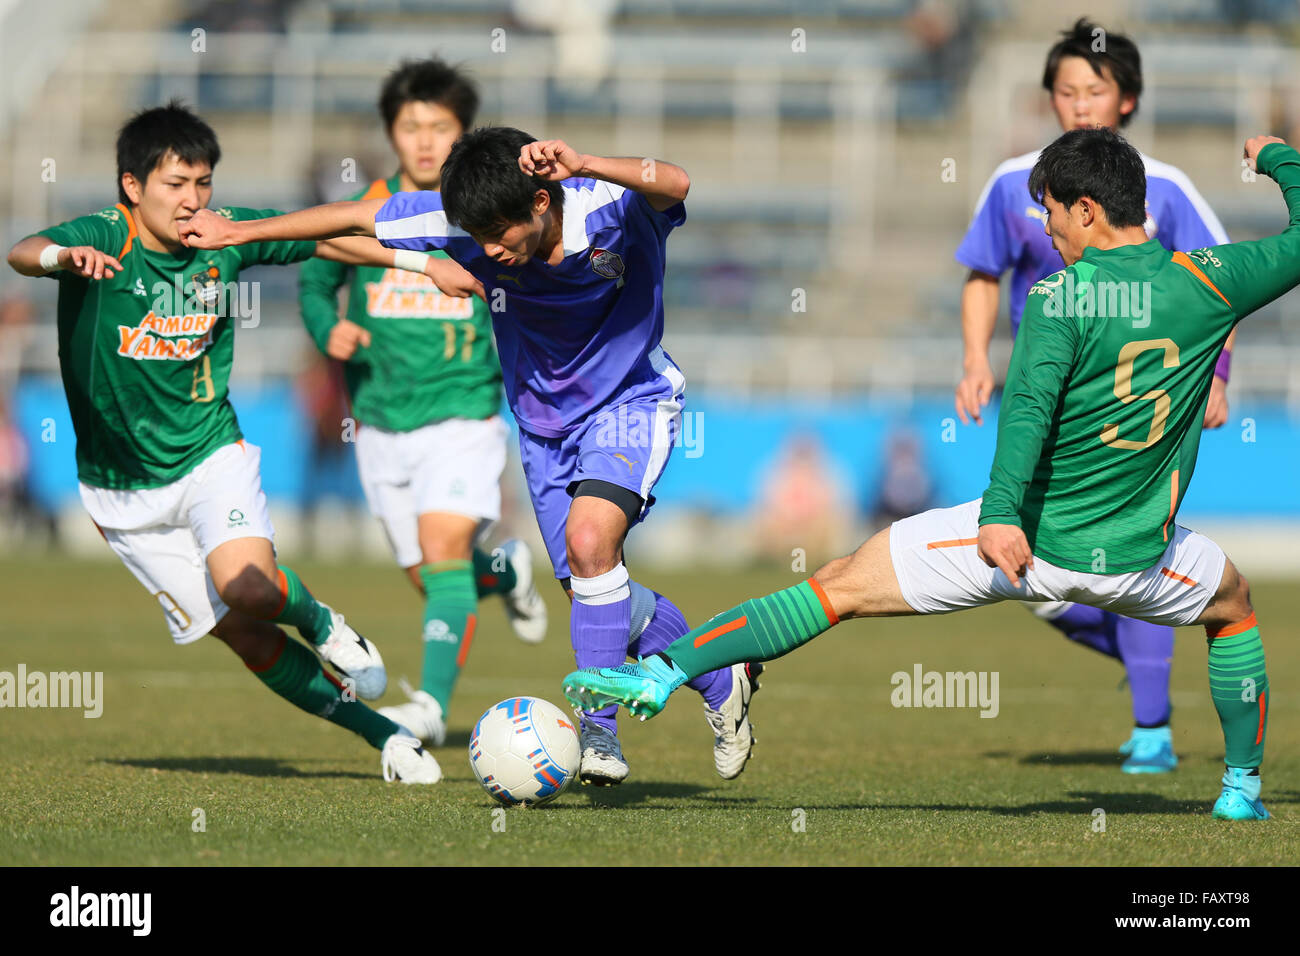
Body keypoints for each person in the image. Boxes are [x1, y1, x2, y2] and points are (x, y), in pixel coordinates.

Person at [564, 129, 1294, 822]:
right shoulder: (1213, 278)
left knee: (840, 584)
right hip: (1142, 561)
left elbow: (1028, 411)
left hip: (1027, 545)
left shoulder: (1057, 298)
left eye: (1050, 213)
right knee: (1234, 608)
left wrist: (1001, 513)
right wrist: (1279, 158)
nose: (1045, 230)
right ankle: (1238, 788)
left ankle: (661, 672)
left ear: (1088, 210)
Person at [179, 127, 760, 786]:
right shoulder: (464, 224)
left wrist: (588, 160)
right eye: (477, 236)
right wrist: (237, 234)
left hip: (632, 402)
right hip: (543, 427)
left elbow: (677, 181)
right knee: (592, 592)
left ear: (543, 200)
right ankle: (720, 672)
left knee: (591, 540)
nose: (487, 251)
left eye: (500, 234)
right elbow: (350, 216)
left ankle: (598, 730)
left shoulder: (606, 203)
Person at [5, 101, 458, 783]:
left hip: (210, 450)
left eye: (203, 183)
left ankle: (323, 620)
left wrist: (422, 268)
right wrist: (62, 256)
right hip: (121, 492)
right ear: (132, 187)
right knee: (247, 636)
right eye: (174, 185)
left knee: (247, 586)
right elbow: (22, 253)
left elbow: (324, 242)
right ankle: (386, 737)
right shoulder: (104, 235)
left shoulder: (226, 234)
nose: (193, 202)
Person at [953, 18, 1234, 773]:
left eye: (1095, 90)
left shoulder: (1165, 189)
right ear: (1050, 99)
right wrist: (977, 357)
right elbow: (983, 274)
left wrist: (1217, 374)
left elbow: (1218, 285)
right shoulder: (1016, 181)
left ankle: (1152, 729)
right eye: (1066, 91)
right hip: (1043, 402)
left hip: (1132, 404)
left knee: (1132, 556)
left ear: (1128, 100)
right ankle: (1147, 656)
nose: (1080, 104)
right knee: (1037, 579)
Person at [298, 59, 547, 748]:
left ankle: (430, 708)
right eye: (412, 127)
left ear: (464, 130)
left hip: (464, 412)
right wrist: (329, 330)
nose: (426, 140)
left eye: (441, 126)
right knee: (431, 574)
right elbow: (316, 282)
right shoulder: (367, 209)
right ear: (391, 133)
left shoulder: (480, 211)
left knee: (440, 551)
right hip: (379, 419)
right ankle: (503, 571)